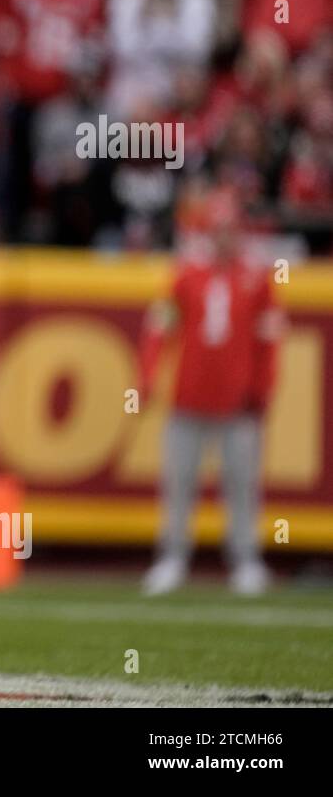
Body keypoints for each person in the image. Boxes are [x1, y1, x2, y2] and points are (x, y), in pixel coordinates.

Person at [138, 188, 282, 596]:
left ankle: (246, 558)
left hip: (237, 401)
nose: (224, 237)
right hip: (188, 396)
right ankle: (172, 557)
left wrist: (262, 389)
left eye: (230, 229)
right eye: (218, 228)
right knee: (179, 482)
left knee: (242, 483)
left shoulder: (257, 279)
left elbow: (269, 340)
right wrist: (147, 377)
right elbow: (159, 327)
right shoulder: (187, 275)